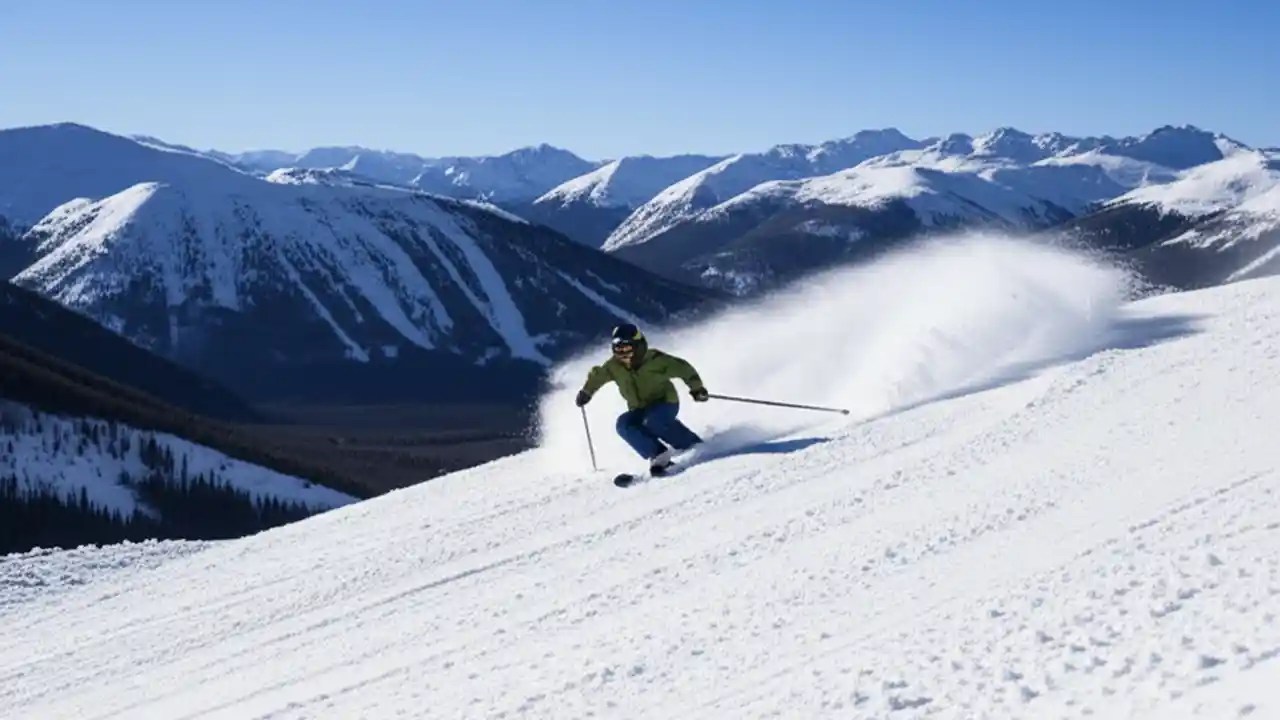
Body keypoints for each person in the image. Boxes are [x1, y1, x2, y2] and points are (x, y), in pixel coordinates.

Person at [575, 323, 709, 475]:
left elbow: (683, 369)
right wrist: (587, 392)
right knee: (624, 424)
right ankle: (659, 455)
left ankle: (691, 445)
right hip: (639, 408)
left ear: (637, 345)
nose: (622, 354)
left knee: (654, 421)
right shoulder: (614, 366)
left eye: (626, 348)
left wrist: (696, 388)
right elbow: (598, 376)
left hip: (665, 402)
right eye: (618, 349)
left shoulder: (655, 360)